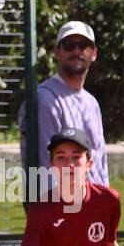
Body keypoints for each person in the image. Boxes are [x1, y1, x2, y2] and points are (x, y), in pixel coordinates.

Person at [19, 21, 110, 195]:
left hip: (96, 207)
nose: (77, 51)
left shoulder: (92, 103)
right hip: (63, 209)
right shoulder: (45, 99)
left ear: (94, 53)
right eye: (69, 45)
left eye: (84, 46)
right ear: (57, 52)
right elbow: (47, 168)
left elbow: (100, 162)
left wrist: (105, 202)